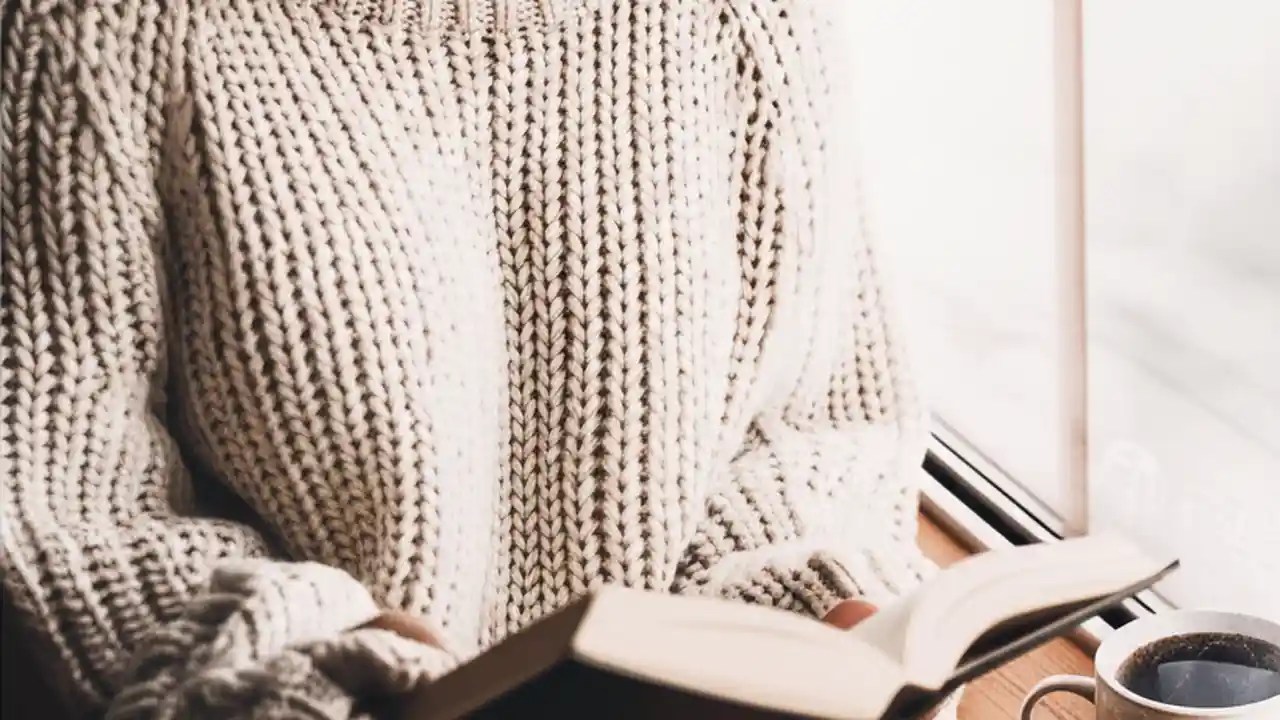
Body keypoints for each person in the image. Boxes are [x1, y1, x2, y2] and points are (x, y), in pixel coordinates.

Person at [0, 0, 952, 716]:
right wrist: (316, 669)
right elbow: (67, 501)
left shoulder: (752, 20)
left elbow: (812, 416)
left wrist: (817, 608)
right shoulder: (93, 36)